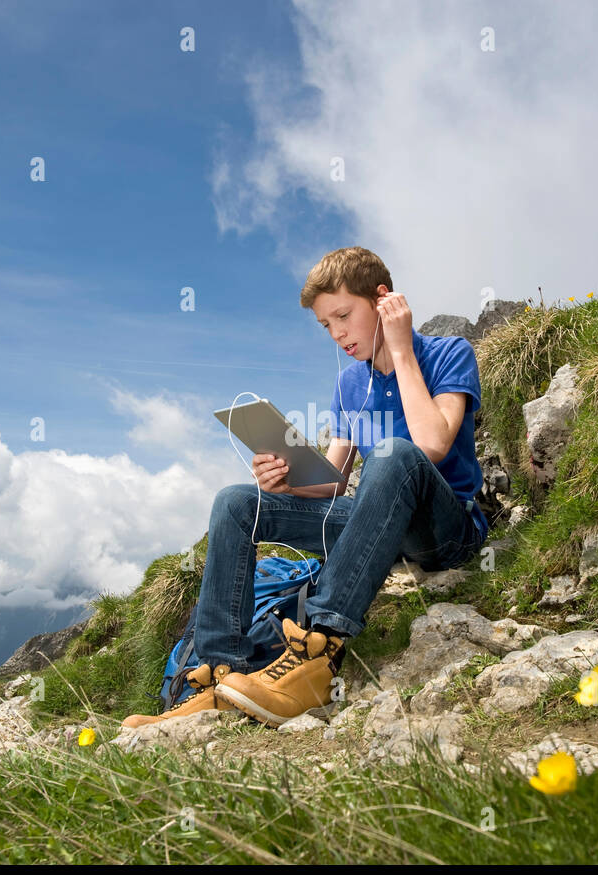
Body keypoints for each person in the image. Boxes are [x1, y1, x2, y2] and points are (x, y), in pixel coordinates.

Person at [122, 246, 489, 728]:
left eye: (343, 315)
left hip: (445, 529)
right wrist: (289, 482)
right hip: (377, 525)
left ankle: (317, 652)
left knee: (393, 453)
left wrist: (400, 351)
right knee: (236, 503)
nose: (337, 334)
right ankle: (218, 674)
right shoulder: (349, 386)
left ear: (383, 300)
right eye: (326, 325)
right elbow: (335, 481)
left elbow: (433, 444)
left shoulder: (448, 353)